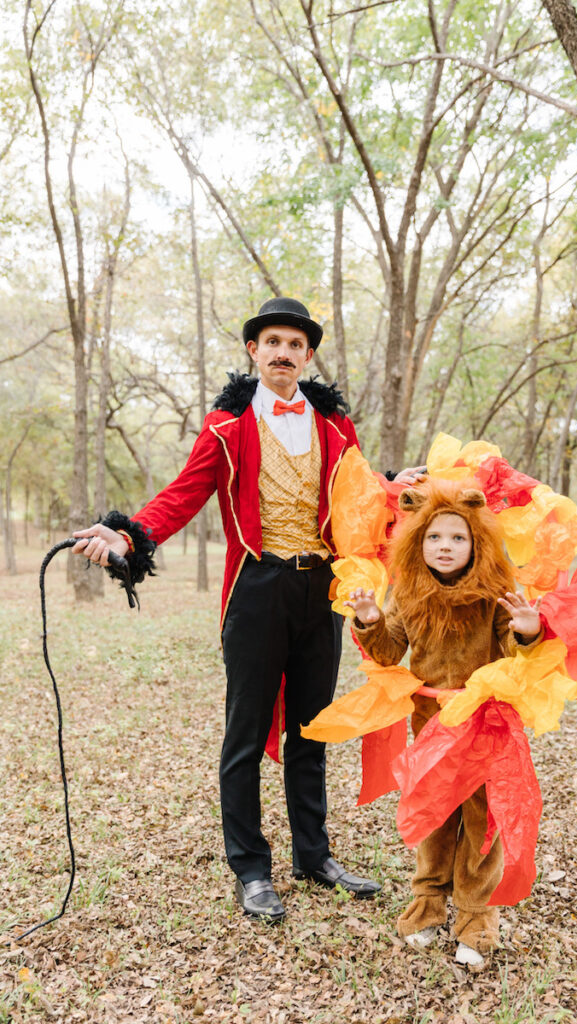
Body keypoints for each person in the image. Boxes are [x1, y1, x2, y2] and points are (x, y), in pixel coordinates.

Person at [73, 297, 423, 924]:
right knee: (244, 734)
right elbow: (183, 493)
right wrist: (128, 536)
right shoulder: (226, 426)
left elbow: (361, 495)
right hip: (256, 590)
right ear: (253, 352)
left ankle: (314, 858)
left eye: (295, 344)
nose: (284, 352)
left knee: (311, 730)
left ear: (308, 355)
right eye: (273, 342)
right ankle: (251, 869)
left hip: (323, 590)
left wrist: (398, 487)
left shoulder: (336, 425)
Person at [344, 479, 543, 964]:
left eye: (458, 537)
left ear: (477, 541)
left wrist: (529, 631)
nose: (446, 547)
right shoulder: (409, 593)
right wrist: (370, 619)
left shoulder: (495, 591)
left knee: (483, 818)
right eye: (434, 537)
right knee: (435, 811)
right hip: (431, 722)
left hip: (486, 722)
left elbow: (517, 650)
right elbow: (391, 649)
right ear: (417, 542)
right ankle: (428, 904)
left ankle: (476, 915)